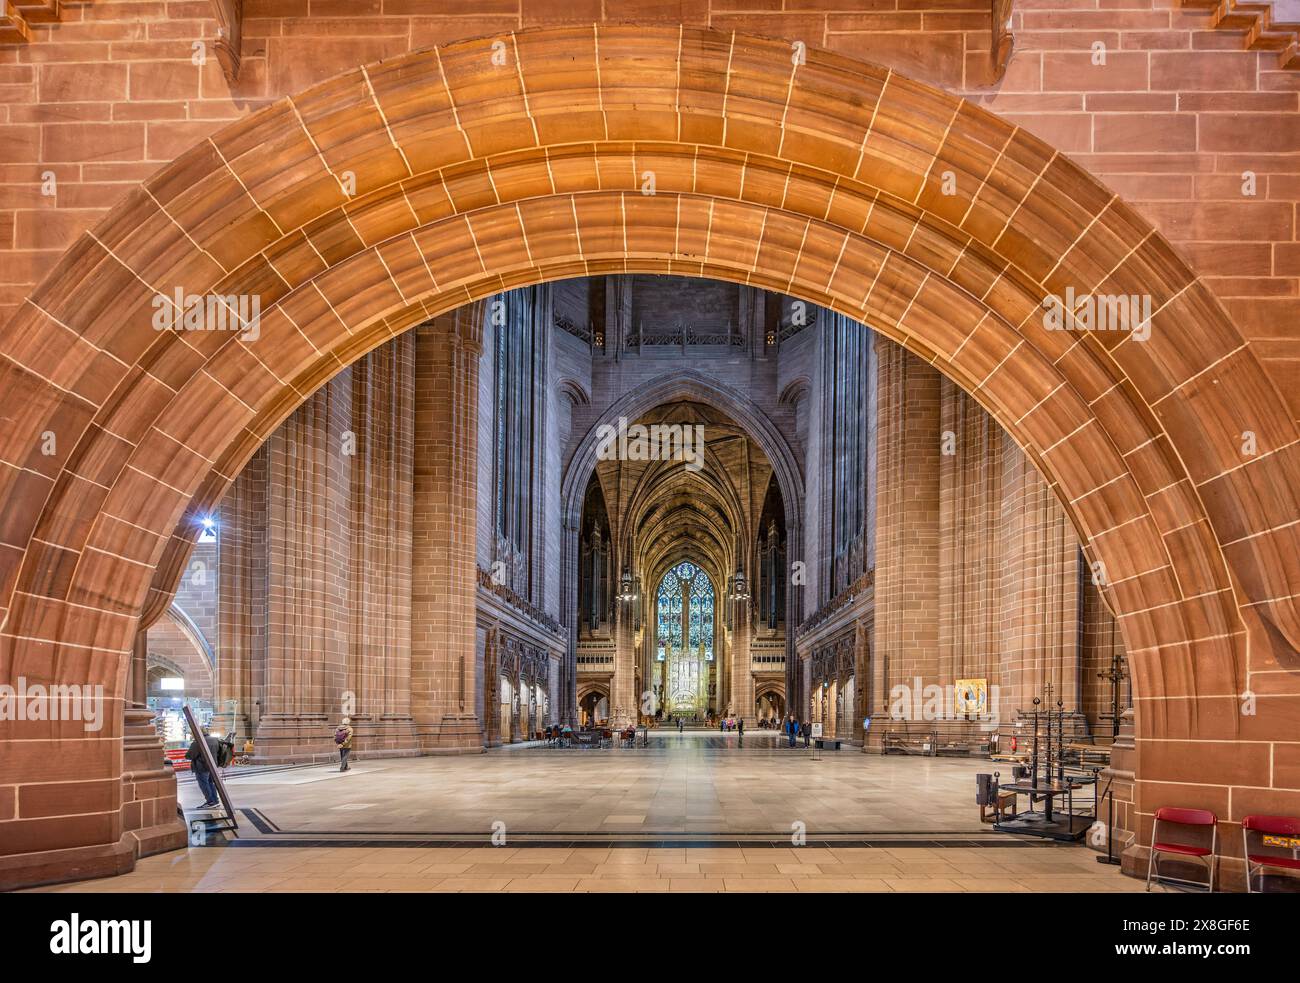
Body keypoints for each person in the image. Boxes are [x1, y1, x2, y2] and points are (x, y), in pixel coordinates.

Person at [185, 727, 222, 809]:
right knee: (210, 783)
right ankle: (215, 801)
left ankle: (210, 801)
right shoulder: (214, 739)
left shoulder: (197, 742)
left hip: (201, 767)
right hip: (212, 766)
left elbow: (189, 755)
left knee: (204, 785)